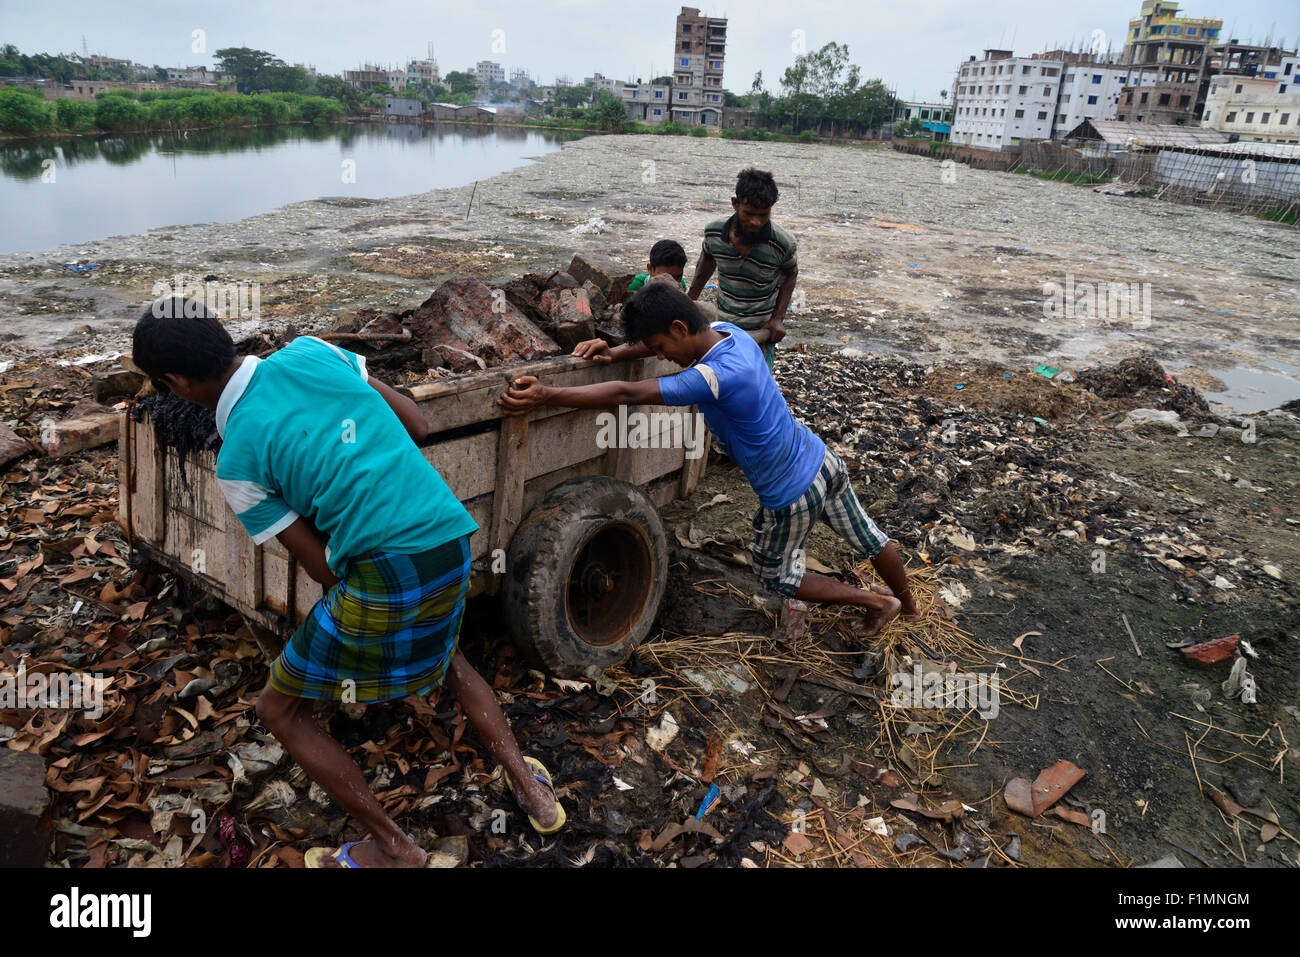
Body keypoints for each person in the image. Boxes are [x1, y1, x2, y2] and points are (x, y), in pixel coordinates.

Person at [132, 298, 564, 868]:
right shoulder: (313, 353)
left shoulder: (235, 461)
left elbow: (322, 568)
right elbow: (416, 422)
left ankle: (394, 848)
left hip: (386, 573)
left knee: (278, 710)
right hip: (451, 535)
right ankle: (533, 791)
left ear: (176, 382)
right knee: (450, 657)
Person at [497, 282, 918, 636]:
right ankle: (912, 608)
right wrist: (615, 351)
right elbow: (648, 351)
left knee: (777, 577)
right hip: (821, 459)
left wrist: (547, 395)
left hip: (791, 492)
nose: (661, 355)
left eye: (662, 346)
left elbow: (627, 395)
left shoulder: (713, 377)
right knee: (870, 537)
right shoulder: (725, 331)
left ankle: (876, 601)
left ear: (680, 327)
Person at [686, 167, 798, 370]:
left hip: (760, 333)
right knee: (718, 385)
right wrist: (689, 299)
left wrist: (778, 319)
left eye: (764, 215)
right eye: (749, 214)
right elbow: (708, 257)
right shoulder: (713, 232)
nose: (756, 222)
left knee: (754, 391)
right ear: (735, 204)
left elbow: (791, 273)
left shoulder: (783, 243)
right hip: (722, 328)